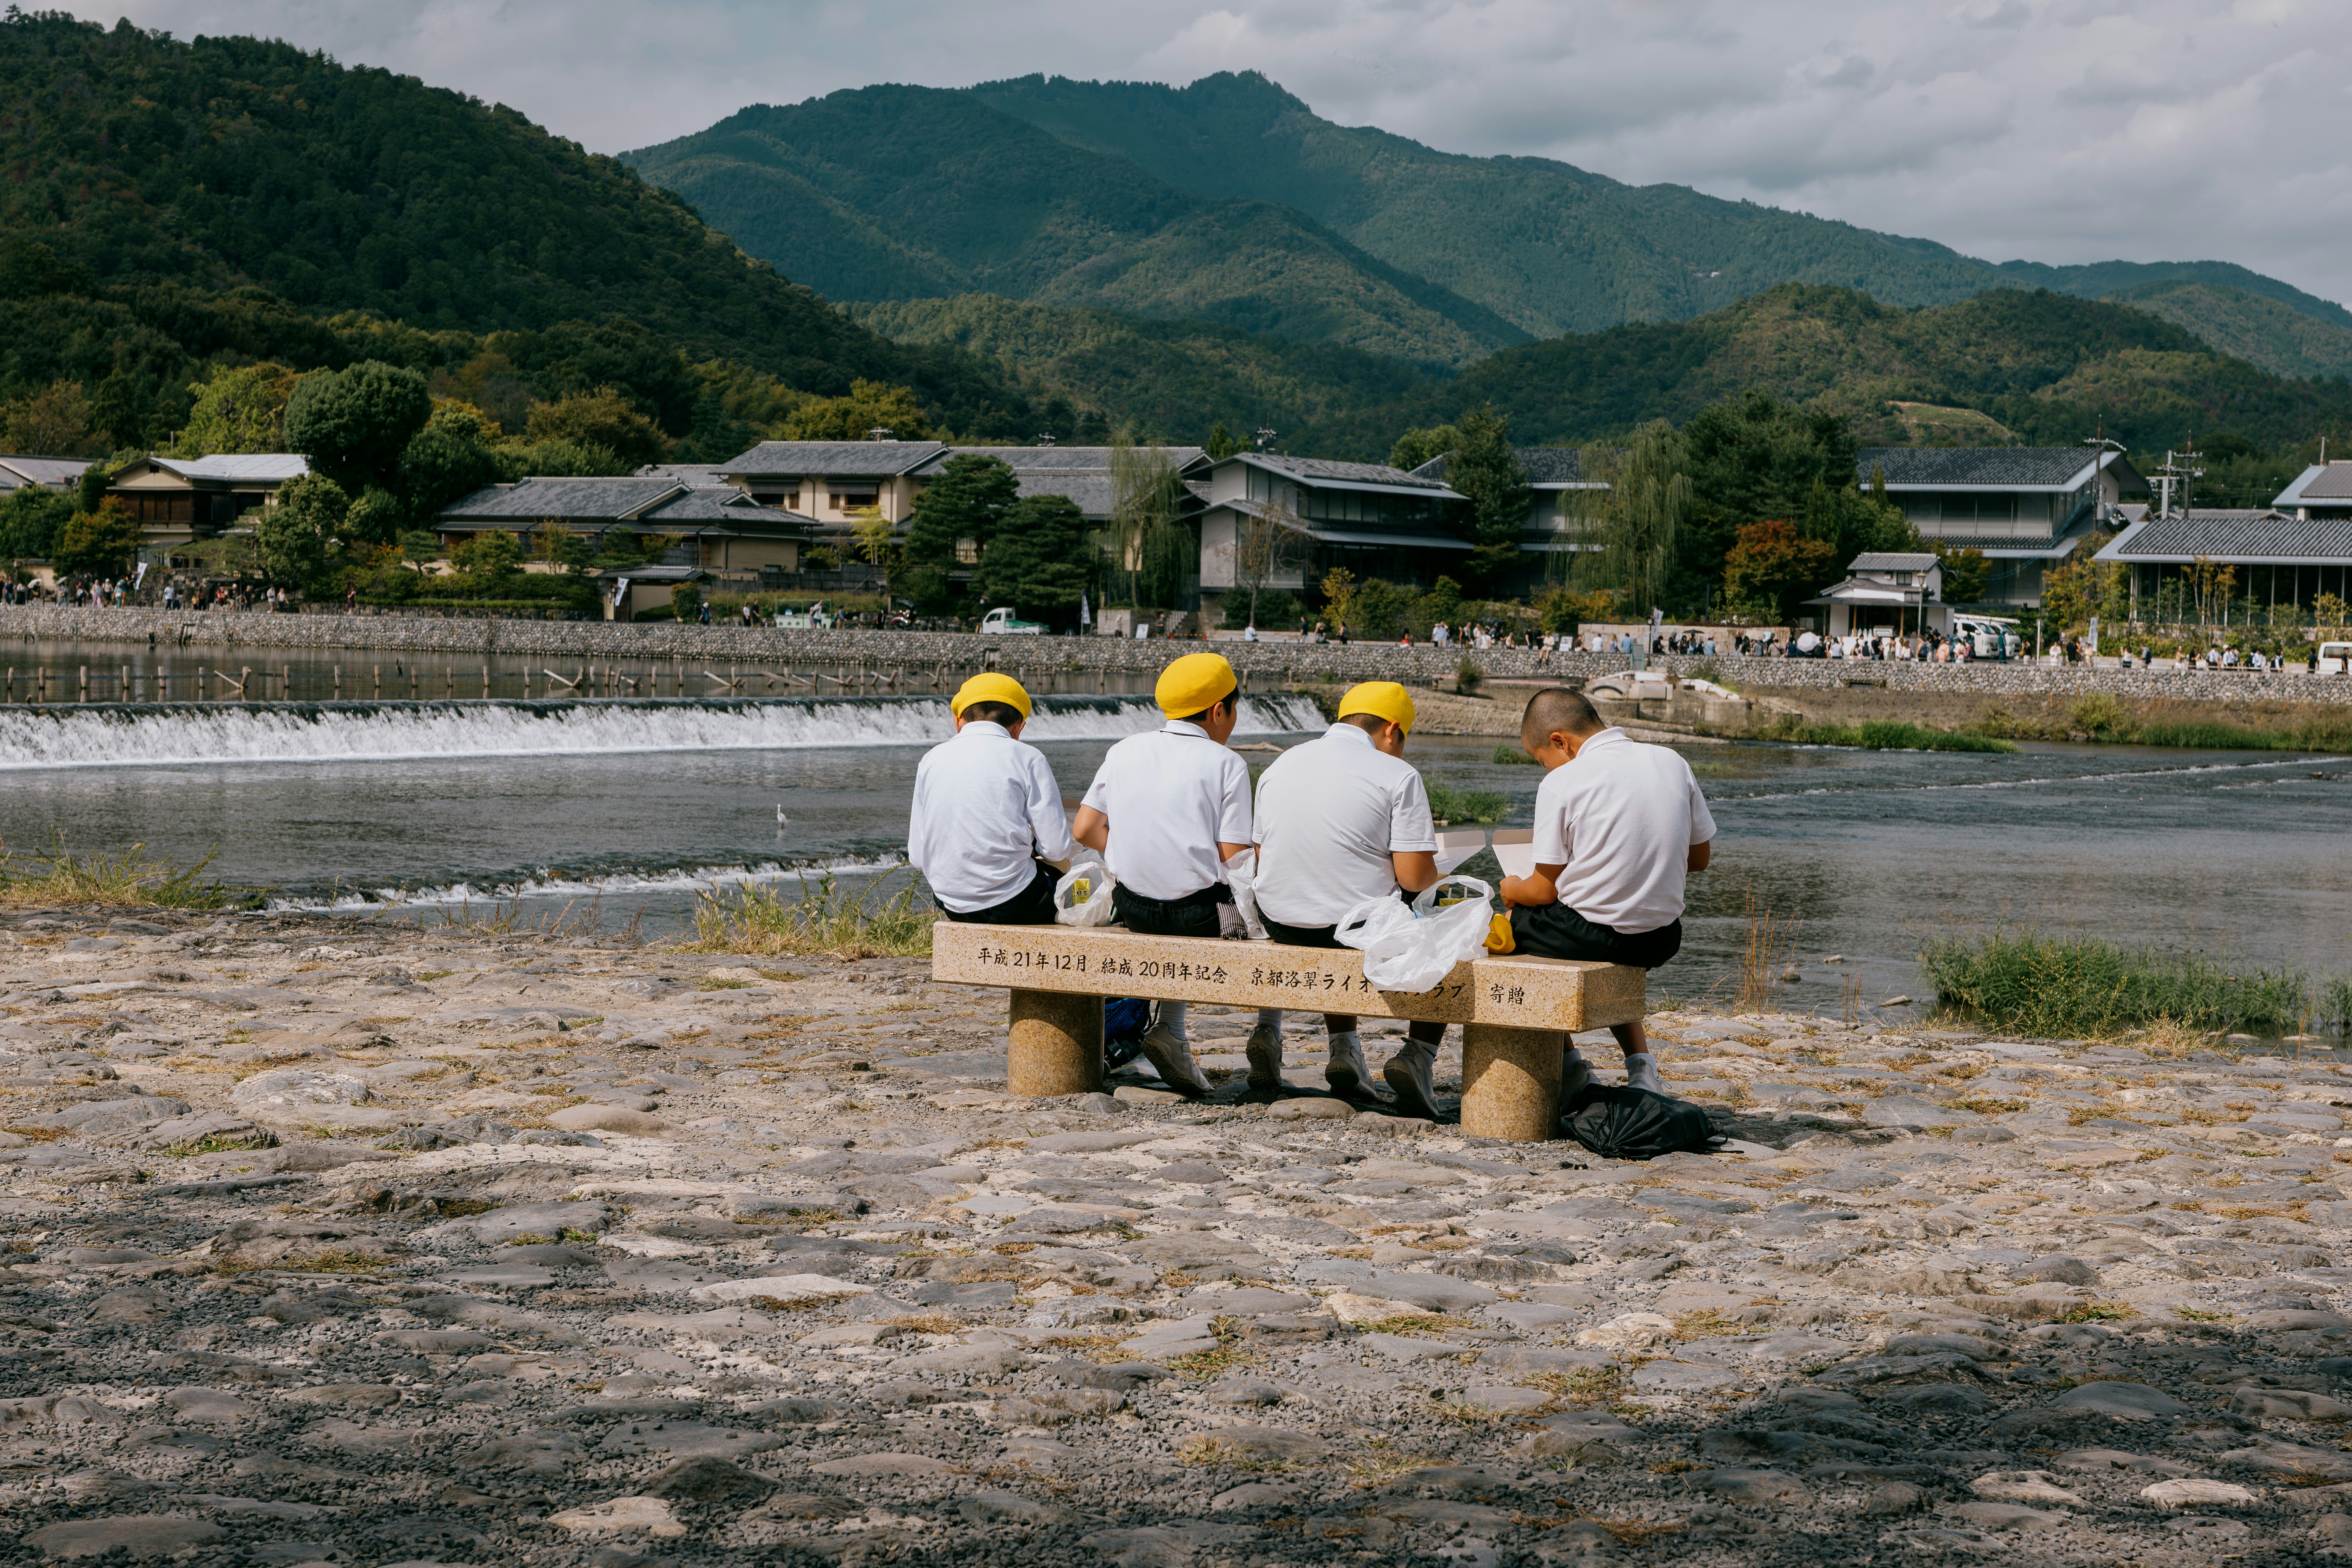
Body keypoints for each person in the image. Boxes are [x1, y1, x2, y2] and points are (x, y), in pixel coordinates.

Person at [1499, 688, 1715, 1101]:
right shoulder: (1672, 761)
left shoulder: (1562, 781)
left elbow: (1542, 891)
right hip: (1661, 937)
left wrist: (1511, 886)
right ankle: (1643, 1068)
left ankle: (1571, 1067)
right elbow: (1700, 858)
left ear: (1561, 741)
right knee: (1597, 930)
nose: (1544, 767)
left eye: (1541, 757)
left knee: (1507, 932)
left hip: (1592, 935)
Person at [1246, 681, 1447, 1115]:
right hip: (1352, 932)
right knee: (1449, 924)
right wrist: (1447, 875)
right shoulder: (1398, 775)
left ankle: (1345, 1048)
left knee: (1343, 897)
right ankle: (1419, 1056)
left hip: (1281, 920)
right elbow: (1415, 879)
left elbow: (1265, 857)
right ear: (1392, 729)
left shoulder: (1282, 764)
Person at [1073, 652, 1252, 1095]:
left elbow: (1085, 828)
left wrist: (1137, 851)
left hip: (1132, 907)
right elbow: (1235, 858)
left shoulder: (1124, 750)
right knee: (1255, 909)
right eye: (1234, 709)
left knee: (1180, 903)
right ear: (1218, 710)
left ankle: (1172, 1030)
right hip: (1199, 917)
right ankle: (1255, 1031)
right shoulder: (1227, 763)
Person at [907, 674, 1078, 928]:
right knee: (1076, 887)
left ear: (958, 721)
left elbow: (918, 858)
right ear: (1020, 726)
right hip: (1016, 902)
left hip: (950, 902)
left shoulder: (930, 760)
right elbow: (1057, 849)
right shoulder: (1028, 757)